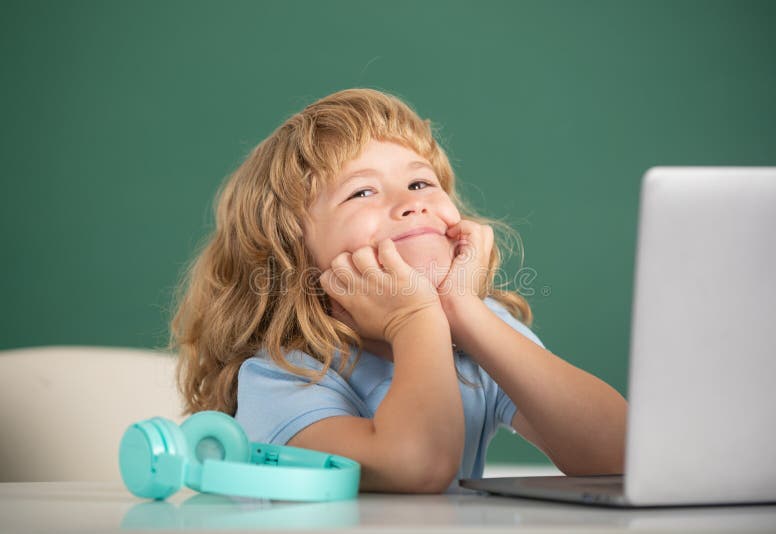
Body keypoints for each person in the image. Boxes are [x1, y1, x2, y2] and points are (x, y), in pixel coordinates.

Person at [169, 88, 627, 493]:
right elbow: (417, 465)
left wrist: (465, 311)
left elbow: (621, 455)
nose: (413, 202)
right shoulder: (283, 377)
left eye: (420, 182)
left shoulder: (472, 336)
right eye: (363, 193)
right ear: (293, 255)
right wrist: (415, 319)